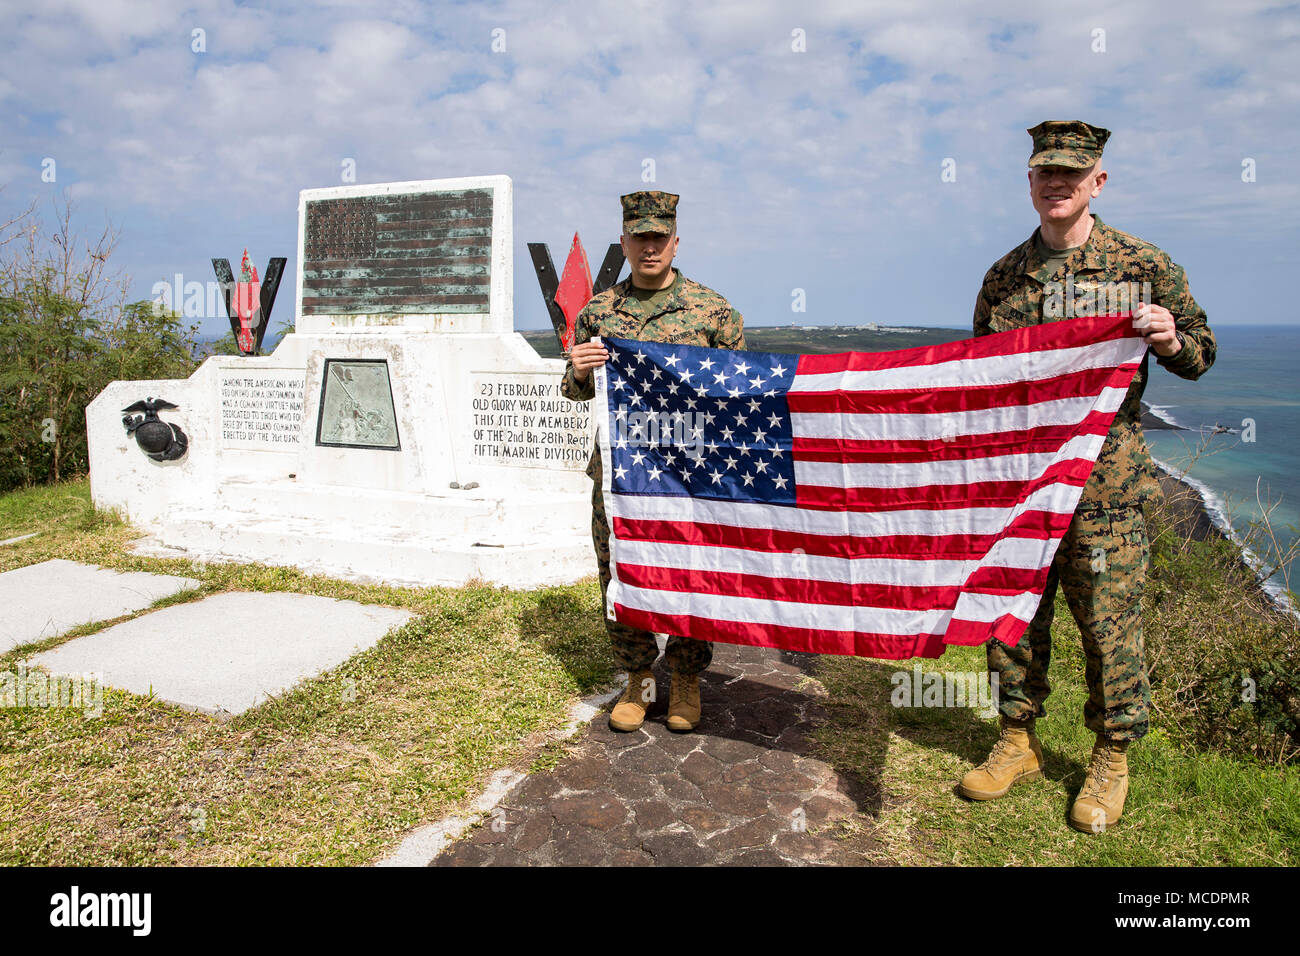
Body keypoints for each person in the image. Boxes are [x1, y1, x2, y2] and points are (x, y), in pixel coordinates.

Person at [958, 121, 1217, 832]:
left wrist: (1169, 337)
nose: (1059, 184)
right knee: (1012, 621)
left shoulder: (1142, 263)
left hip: (1106, 491)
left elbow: (1200, 352)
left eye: (1074, 173)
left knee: (1109, 628)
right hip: (1023, 486)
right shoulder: (1004, 277)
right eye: (1047, 172)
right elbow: (983, 379)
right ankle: (1017, 739)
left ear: (1097, 181)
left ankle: (1112, 755)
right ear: (1031, 182)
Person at [560, 190, 745, 733]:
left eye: (658, 238)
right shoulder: (599, 312)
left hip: (688, 472)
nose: (649, 247)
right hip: (622, 472)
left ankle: (687, 678)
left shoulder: (713, 312)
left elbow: (737, 397)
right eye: (639, 237)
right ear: (624, 241)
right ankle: (638, 678)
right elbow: (573, 392)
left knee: (691, 570)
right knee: (620, 567)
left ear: (674, 241)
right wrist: (578, 368)